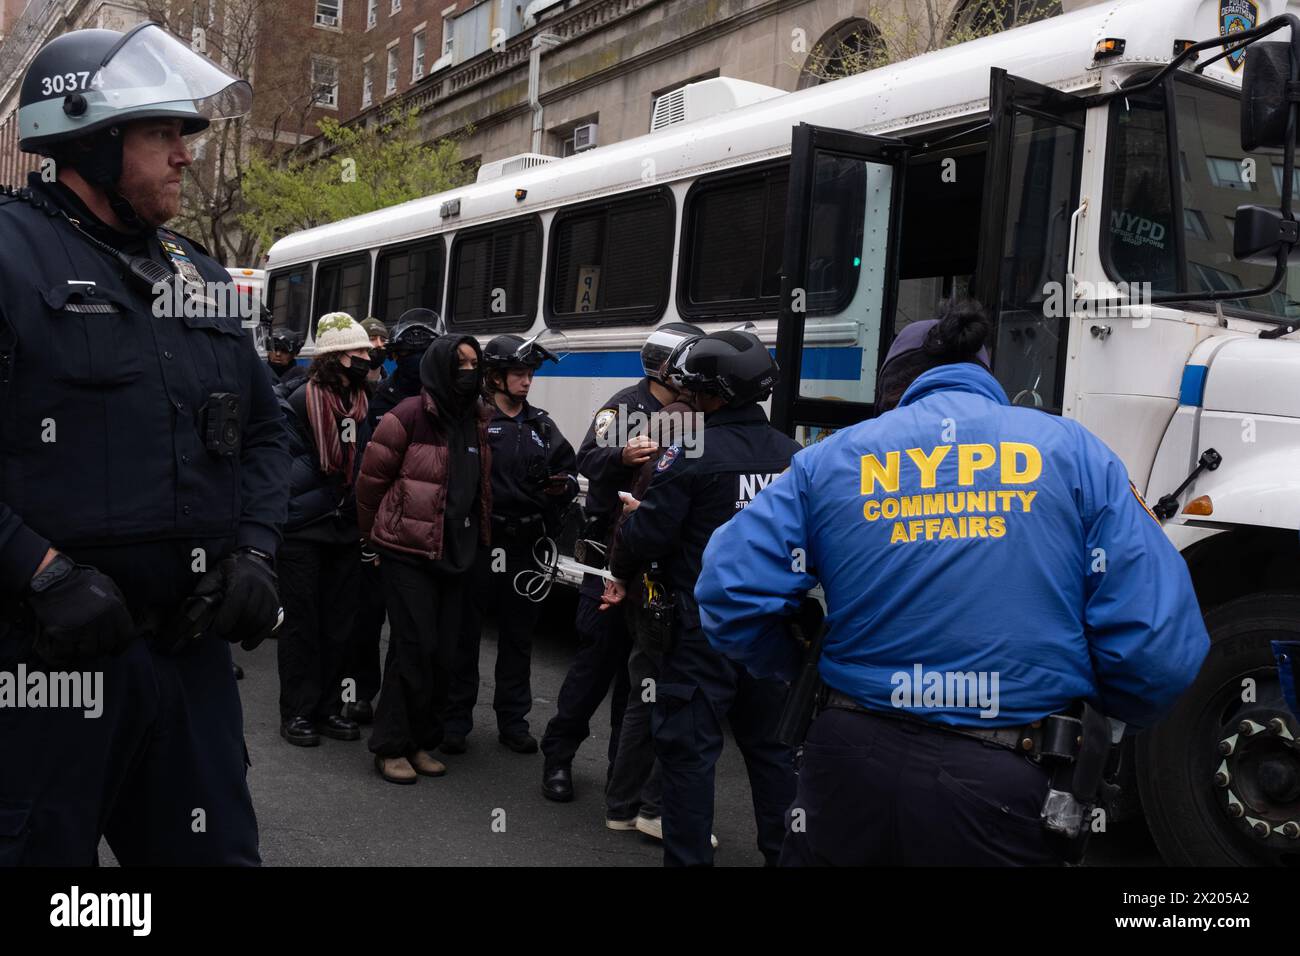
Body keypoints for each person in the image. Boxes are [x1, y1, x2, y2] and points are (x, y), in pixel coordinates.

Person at [694, 300, 1212, 866]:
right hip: (1007, 773)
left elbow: (728, 589)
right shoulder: (1075, 453)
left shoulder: (830, 459)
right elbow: (1159, 643)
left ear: (893, 388)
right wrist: (1099, 719)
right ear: (986, 377)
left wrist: (798, 670)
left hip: (844, 759)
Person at [0, 23, 288, 865]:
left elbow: (267, 429)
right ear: (88, 135)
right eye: (164, 132)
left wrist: (259, 552)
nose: (185, 155)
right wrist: (37, 570)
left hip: (190, 660)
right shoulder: (11, 258)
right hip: (49, 663)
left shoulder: (197, 274)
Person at [606, 330, 799, 866]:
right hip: (773, 633)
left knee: (689, 758)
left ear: (714, 394)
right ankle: (782, 854)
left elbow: (649, 539)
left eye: (693, 389)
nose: (687, 397)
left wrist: (631, 521)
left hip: (700, 631)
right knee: (772, 753)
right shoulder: (793, 455)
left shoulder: (690, 455)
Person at [540, 322, 702, 803]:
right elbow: (587, 459)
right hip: (611, 557)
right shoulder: (625, 407)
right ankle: (559, 755)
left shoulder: (690, 415)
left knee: (639, 678)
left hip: (654, 565)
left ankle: (621, 770)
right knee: (595, 664)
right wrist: (622, 455)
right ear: (665, 368)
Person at [357, 335, 492, 784]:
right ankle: (390, 745)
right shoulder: (407, 415)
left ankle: (419, 742)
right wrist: (372, 541)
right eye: (461, 362)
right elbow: (370, 483)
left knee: (444, 653)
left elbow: (478, 490)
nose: (470, 370)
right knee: (414, 647)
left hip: (456, 553)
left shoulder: (475, 419)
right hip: (406, 552)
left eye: (476, 362)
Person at [443, 333, 578, 755]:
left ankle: (513, 721)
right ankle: (454, 721)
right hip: (483, 542)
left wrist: (562, 486)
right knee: (465, 635)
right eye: (519, 373)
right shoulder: (475, 420)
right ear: (495, 377)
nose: (526, 381)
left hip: (525, 545)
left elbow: (569, 469)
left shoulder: (541, 424)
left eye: (530, 374)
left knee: (519, 638)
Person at [277, 312, 375, 747]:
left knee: (340, 624)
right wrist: (335, 488)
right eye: (357, 352)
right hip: (303, 528)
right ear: (335, 357)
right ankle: (298, 710)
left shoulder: (363, 401)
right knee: (302, 623)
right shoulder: (300, 400)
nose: (366, 358)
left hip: (344, 527)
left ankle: (330, 707)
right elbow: (289, 470)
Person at [361, 318, 389, 391]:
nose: (379, 344)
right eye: (372, 339)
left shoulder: (391, 386)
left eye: (383, 340)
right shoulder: (348, 386)